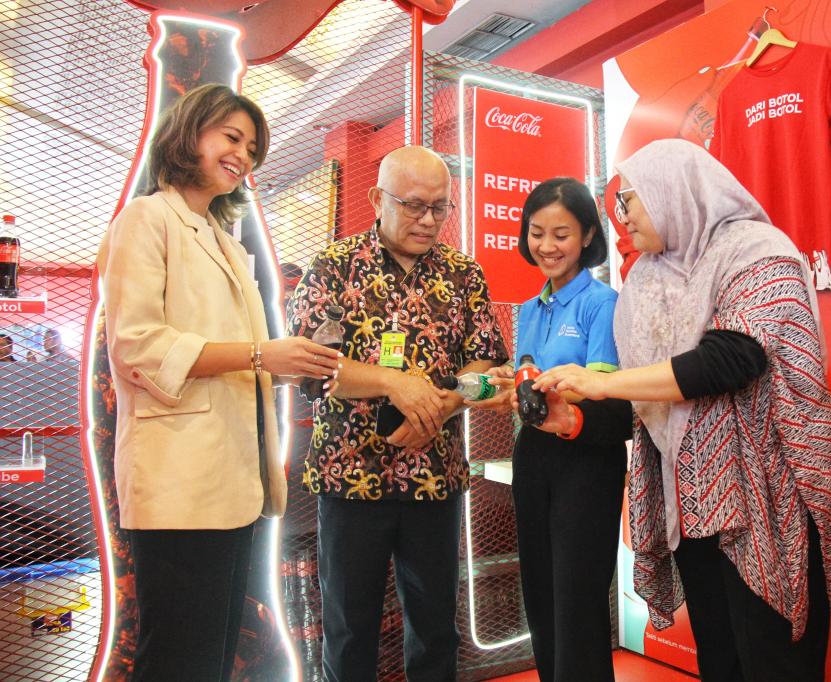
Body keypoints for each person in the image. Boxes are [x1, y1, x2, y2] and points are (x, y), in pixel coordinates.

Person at [533, 139, 831, 682]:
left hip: (766, 491)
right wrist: (576, 408)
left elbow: (734, 357)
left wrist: (607, 385)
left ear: (673, 192)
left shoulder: (759, 251)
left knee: (776, 653)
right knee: (721, 653)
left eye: (631, 201)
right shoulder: (646, 278)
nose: (624, 218)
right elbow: (642, 400)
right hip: (689, 500)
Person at [98, 83, 339, 682]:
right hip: (178, 482)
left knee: (212, 652)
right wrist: (263, 354)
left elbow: (237, 359)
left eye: (252, 148)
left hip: (234, 480)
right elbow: (137, 345)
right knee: (177, 657)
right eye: (231, 137)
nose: (243, 155)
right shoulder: (146, 219)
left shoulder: (226, 245)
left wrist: (288, 367)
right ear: (189, 133)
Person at [287, 145, 508, 682]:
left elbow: (484, 358)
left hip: (435, 476)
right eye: (413, 205)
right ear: (375, 199)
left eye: (440, 207)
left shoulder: (462, 274)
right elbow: (313, 366)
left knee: (436, 625)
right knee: (348, 625)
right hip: (350, 476)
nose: (428, 221)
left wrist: (442, 403)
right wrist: (395, 383)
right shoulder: (333, 267)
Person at [494, 177, 630, 681]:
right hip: (533, 454)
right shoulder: (527, 310)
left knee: (578, 597)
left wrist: (546, 388)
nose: (547, 246)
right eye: (536, 233)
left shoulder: (603, 303)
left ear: (589, 236)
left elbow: (604, 387)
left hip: (586, 456)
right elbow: (524, 386)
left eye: (561, 234)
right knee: (542, 592)